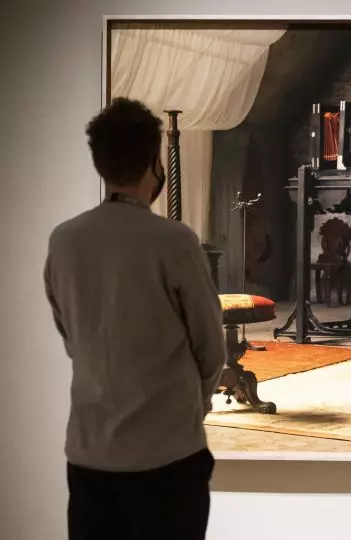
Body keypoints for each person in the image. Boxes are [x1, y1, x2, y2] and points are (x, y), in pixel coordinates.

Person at [43, 98, 226, 539]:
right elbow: (210, 347)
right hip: (167, 457)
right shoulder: (174, 242)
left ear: (99, 162)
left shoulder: (64, 241)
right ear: (154, 162)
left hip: (89, 456)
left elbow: (72, 337)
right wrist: (193, 406)